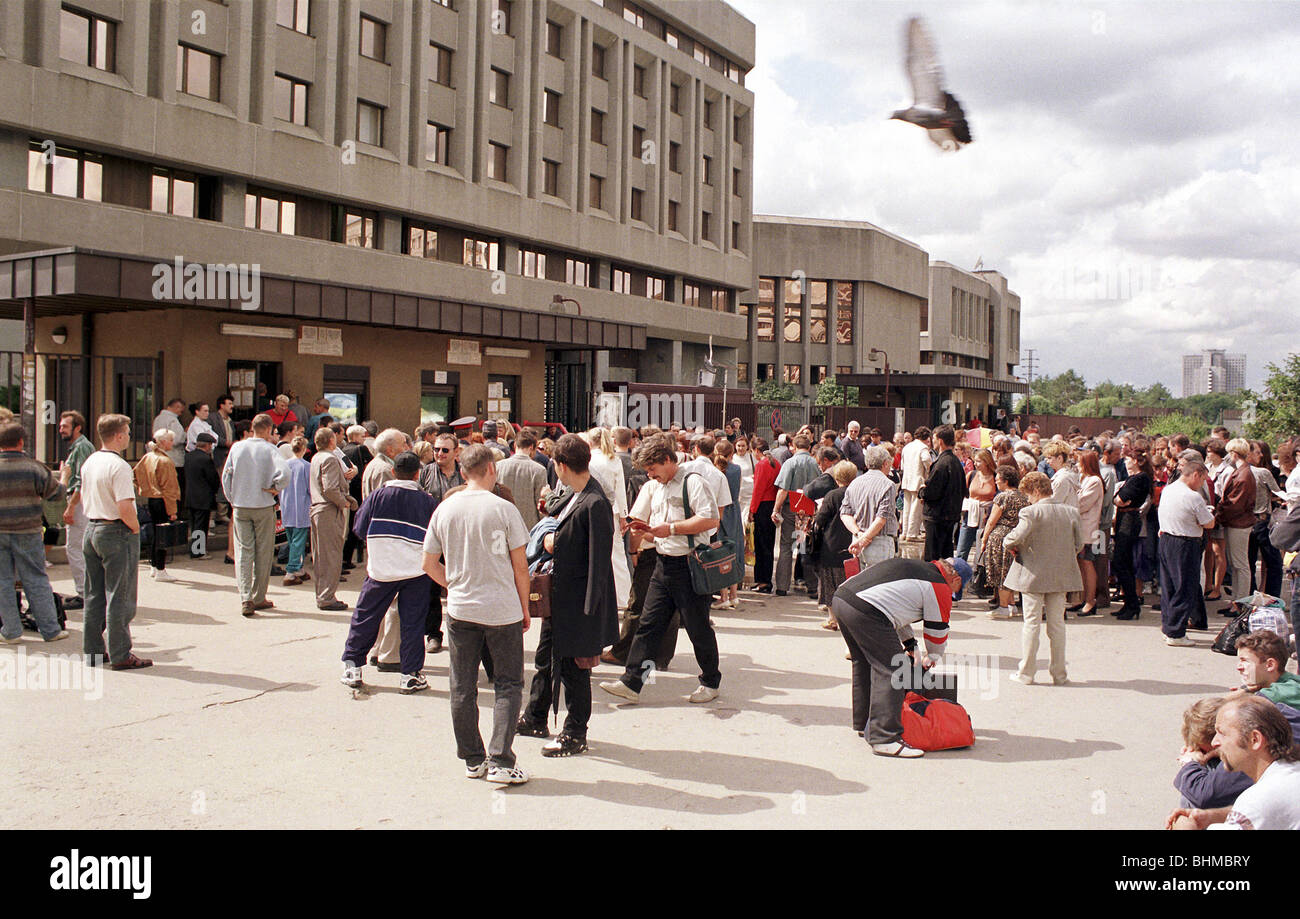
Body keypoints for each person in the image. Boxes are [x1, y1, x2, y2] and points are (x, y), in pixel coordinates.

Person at [422, 443, 532, 785]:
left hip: (462, 607)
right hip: (502, 608)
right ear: (490, 469)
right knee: (508, 683)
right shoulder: (503, 509)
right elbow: (520, 567)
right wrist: (525, 607)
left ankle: (472, 757)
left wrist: (452, 586)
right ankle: (500, 758)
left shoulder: (445, 509)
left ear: (463, 470)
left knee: (462, 684)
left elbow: (428, 563)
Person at [517, 435, 619, 756]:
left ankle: (575, 733)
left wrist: (590, 611)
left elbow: (597, 559)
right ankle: (536, 715)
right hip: (560, 597)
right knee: (547, 657)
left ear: (561, 466)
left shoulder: (594, 502)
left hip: (578, 602)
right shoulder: (576, 494)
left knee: (575, 670)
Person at [602, 435, 721, 705]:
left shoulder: (693, 482)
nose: (650, 474)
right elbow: (657, 526)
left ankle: (711, 681)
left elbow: (711, 519)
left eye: (653, 468)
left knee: (697, 628)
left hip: (689, 565)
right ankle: (632, 682)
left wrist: (671, 529)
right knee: (648, 625)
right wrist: (643, 532)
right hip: (663, 562)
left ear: (668, 460)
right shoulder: (656, 487)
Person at [831, 556, 970, 757]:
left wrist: (910, 643)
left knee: (865, 663)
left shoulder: (916, 569)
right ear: (956, 580)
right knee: (894, 669)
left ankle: (865, 723)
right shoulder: (939, 586)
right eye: (957, 591)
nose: (953, 595)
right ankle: (885, 738)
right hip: (867, 609)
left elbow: (896, 610)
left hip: (842, 599)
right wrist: (932, 656)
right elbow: (937, 630)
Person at [341, 451, 436, 693]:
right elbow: (436, 538)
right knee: (413, 623)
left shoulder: (377, 495)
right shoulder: (427, 501)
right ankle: (410, 674)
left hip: (380, 570)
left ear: (393, 471)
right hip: (415, 571)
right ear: (417, 474)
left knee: (365, 617)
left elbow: (359, 528)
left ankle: (352, 666)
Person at [1167, 694, 1300, 829]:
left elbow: (1259, 809)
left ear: (1255, 739)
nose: (1214, 742)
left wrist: (1183, 825)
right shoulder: (1292, 770)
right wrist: (1211, 816)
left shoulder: (1257, 801)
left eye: (1222, 733)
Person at [1001, 470, 1084, 685]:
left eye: (1029, 494)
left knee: (1031, 623)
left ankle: (1027, 672)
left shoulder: (1030, 512)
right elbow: (1079, 544)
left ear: (1037, 491)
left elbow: (1014, 537)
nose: (1028, 499)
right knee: (1057, 625)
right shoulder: (1071, 512)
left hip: (1032, 574)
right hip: (1061, 575)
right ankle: (1059, 674)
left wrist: (1010, 544)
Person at [80, 414, 149, 669]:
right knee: (119, 594)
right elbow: (125, 506)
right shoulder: (118, 466)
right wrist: (135, 529)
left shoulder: (90, 461)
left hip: (92, 527)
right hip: (115, 530)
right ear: (119, 435)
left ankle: (94, 651)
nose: (130, 436)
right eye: (128, 432)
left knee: (94, 593)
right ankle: (121, 653)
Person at [0, 423, 70, 644]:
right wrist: (65, 476)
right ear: (21, 442)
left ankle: (11, 631)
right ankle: (50, 629)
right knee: (36, 578)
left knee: (3, 581)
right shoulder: (34, 467)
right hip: (28, 531)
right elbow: (56, 495)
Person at [222, 413, 288, 617]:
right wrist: (276, 488)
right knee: (264, 551)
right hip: (263, 504)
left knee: (244, 551)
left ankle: (245, 597)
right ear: (268, 430)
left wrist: (232, 498)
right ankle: (259, 596)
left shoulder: (237, 447)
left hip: (241, 504)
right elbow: (285, 473)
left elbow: (226, 476)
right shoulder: (270, 449)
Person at [1157, 458, 1217, 647]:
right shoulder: (1193, 496)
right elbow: (1209, 523)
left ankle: (1169, 627)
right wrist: (1209, 513)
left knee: (1169, 587)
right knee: (1185, 587)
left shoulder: (1169, 489)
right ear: (1196, 474)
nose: (1202, 484)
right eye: (1202, 480)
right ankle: (1176, 632)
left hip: (1167, 538)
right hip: (1185, 543)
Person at [1173, 697, 1254, 809]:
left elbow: (1203, 797)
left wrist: (1190, 765)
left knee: (1191, 794)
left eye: (1203, 751)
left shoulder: (1242, 758)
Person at [309, 427, 355, 611]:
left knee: (321, 556)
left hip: (318, 509)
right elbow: (330, 488)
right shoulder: (329, 458)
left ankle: (323, 594)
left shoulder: (316, 457)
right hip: (328, 510)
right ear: (331, 441)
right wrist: (343, 502)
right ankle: (327, 597)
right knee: (331, 556)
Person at [586, 427, 631, 608]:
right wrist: (623, 516)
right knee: (617, 555)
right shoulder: (614, 460)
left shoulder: (588, 460)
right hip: (611, 511)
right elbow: (620, 491)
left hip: (590, 509)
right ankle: (623, 597)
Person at [840, 444, 900, 575]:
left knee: (859, 587)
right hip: (879, 542)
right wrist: (863, 538)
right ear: (885, 463)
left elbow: (845, 514)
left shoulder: (855, 483)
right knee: (879, 587)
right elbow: (881, 519)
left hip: (857, 540)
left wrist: (859, 534)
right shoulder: (888, 484)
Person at [771, 434, 819, 596]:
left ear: (794, 447)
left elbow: (783, 489)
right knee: (806, 547)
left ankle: (782, 586)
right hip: (809, 510)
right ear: (809, 447)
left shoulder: (790, 463)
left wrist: (775, 509)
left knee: (786, 547)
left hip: (791, 508)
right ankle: (812, 586)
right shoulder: (815, 463)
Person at [814, 460, 860, 628]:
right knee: (849, 582)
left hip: (832, 543)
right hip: (854, 542)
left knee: (830, 582)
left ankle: (833, 618)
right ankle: (847, 618)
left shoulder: (832, 495)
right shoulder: (858, 493)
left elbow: (820, 519)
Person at [979, 465, 1028, 619]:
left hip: (1001, 536)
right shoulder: (1023, 496)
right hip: (1018, 535)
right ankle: (1011, 604)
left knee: (1002, 571)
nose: (996, 482)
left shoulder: (1002, 497)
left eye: (998, 479)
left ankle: (1003, 607)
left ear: (1006, 481)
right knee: (1012, 569)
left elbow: (992, 521)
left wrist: (984, 539)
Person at [57, 410, 95, 610]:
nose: (61, 429)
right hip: (78, 501)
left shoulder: (81, 447)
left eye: (65, 426)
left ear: (77, 427)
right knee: (78, 548)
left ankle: (84, 592)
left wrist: (71, 506)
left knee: (75, 548)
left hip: (79, 502)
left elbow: (81, 479)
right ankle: (86, 591)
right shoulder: (79, 447)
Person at [133, 430, 182, 583]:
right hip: (162, 500)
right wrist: (173, 511)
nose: (172, 443)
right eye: (170, 440)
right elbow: (170, 489)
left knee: (155, 533)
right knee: (163, 536)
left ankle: (154, 566)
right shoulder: (164, 461)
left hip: (152, 499)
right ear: (163, 442)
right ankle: (160, 568)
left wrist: (144, 488)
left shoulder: (148, 457)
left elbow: (135, 475)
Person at [1215, 439, 1257, 614]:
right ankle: (1237, 601)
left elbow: (1235, 504)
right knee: (1237, 563)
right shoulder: (1242, 472)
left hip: (1239, 523)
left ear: (1234, 453)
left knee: (1241, 564)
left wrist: (1218, 515)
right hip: (1236, 522)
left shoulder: (1243, 474)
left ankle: (1241, 603)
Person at [1111, 449, 1154, 619]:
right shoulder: (1133, 478)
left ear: (1135, 460)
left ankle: (1132, 604)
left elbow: (1120, 499)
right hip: (1125, 517)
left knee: (1122, 561)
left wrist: (1118, 499)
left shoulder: (1140, 478)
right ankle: (1129, 603)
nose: (1125, 461)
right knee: (1123, 562)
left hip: (1129, 518)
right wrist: (1118, 499)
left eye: (1127, 458)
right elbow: (1119, 498)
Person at [921, 425, 967, 562]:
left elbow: (932, 491)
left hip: (937, 517)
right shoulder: (956, 462)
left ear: (940, 441)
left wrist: (922, 492)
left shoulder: (942, 463)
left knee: (933, 559)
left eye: (934, 439)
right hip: (950, 516)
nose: (932, 442)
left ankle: (934, 583)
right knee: (946, 558)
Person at [1070, 448, 1105, 616]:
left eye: (1079, 462)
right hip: (1081, 529)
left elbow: (1082, 504)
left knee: (1087, 564)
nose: (1077, 465)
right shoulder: (1085, 479)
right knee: (1081, 564)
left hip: (1088, 530)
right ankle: (1083, 598)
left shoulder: (1094, 481)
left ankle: (1091, 601)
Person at [711, 438, 744, 610]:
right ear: (732, 453)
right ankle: (734, 594)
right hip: (734, 510)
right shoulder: (737, 469)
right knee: (734, 550)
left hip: (720, 510)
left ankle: (723, 595)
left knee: (720, 552)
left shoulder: (714, 471)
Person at [496, 428, 548, 530]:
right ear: (532, 447)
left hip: (503, 523)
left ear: (515, 445)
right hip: (529, 527)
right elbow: (541, 503)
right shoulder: (539, 470)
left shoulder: (499, 466)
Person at [1235, 631, 1300, 708]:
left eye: (1245, 661)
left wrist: (1244, 691)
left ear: (1270, 665)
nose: (1239, 667)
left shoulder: (1276, 694)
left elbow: (1221, 707)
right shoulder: (1292, 681)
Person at [280, 436, 312, 586]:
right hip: (301, 507)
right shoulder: (306, 466)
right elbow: (310, 489)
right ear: (304, 449)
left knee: (291, 537)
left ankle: (298, 568)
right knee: (298, 540)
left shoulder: (285, 465)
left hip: (286, 505)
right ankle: (291, 570)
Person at [748, 438, 779, 593]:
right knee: (768, 544)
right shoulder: (776, 463)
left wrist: (752, 510)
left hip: (762, 506)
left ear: (756, 450)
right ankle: (763, 580)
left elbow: (758, 489)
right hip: (772, 505)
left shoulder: (761, 464)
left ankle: (763, 581)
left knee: (761, 545)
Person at [956, 448, 998, 563]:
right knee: (962, 550)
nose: (975, 463)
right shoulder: (971, 475)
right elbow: (963, 492)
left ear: (987, 461)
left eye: (979, 461)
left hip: (987, 516)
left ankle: (978, 576)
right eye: (975, 461)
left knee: (982, 551)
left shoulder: (995, 477)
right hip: (970, 514)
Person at [183, 432, 220, 559]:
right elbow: (213, 478)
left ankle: (195, 549)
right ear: (208, 445)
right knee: (201, 526)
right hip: (203, 497)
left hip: (190, 495)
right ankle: (198, 551)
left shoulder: (188, 456)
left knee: (194, 525)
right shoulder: (205, 459)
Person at [900, 427, 932, 543]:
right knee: (916, 508)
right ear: (927, 437)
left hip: (907, 479)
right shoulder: (923, 448)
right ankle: (912, 534)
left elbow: (902, 466)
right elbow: (927, 462)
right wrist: (929, 473)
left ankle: (904, 532)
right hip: (918, 480)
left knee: (906, 508)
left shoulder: (907, 447)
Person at [151, 397, 187, 498]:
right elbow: (178, 439)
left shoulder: (158, 419)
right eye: (181, 410)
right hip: (174, 459)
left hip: (159, 457)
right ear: (177, 407)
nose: (181, 413)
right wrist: (185, 433)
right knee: (174, 490)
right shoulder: (172, 420)